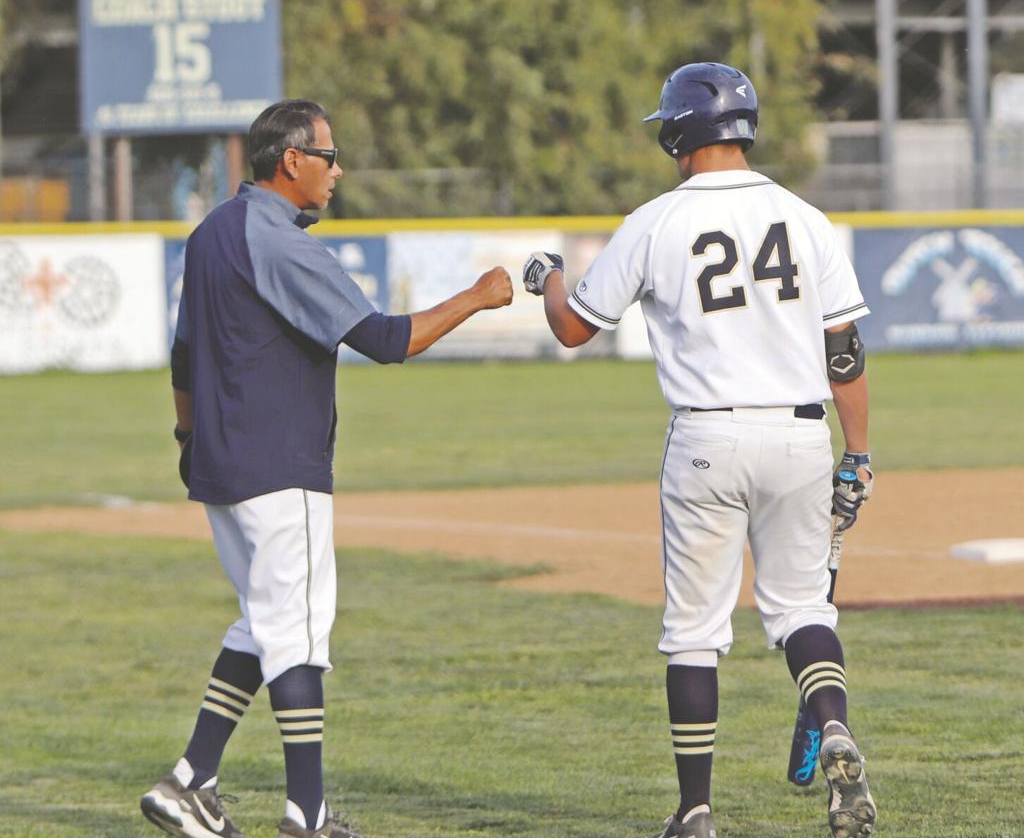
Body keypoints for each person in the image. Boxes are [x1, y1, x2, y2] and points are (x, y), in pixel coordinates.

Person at [521, 63, 876, 838]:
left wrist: (547, 279)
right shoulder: (805, 217)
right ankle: (836, 723)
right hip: (800, 432)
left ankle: (695, 809)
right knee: (802, 610)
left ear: (679, 132)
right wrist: (859, 453)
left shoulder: (655, 220)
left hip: (708, 437)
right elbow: (844, 351)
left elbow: (575, 328)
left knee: (694, 632)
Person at [141, 99, 513, 838]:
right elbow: (384, 339)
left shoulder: (212, 233)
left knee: (265, 621)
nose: (337, 171)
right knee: (301, 633)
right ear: (291, 162)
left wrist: (187, 433)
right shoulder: (277, 240)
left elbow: (182, 355)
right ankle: (305, 814)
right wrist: (478, 297)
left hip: (221, 462)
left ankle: (190, 779)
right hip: (278, 465)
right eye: (328, 156)